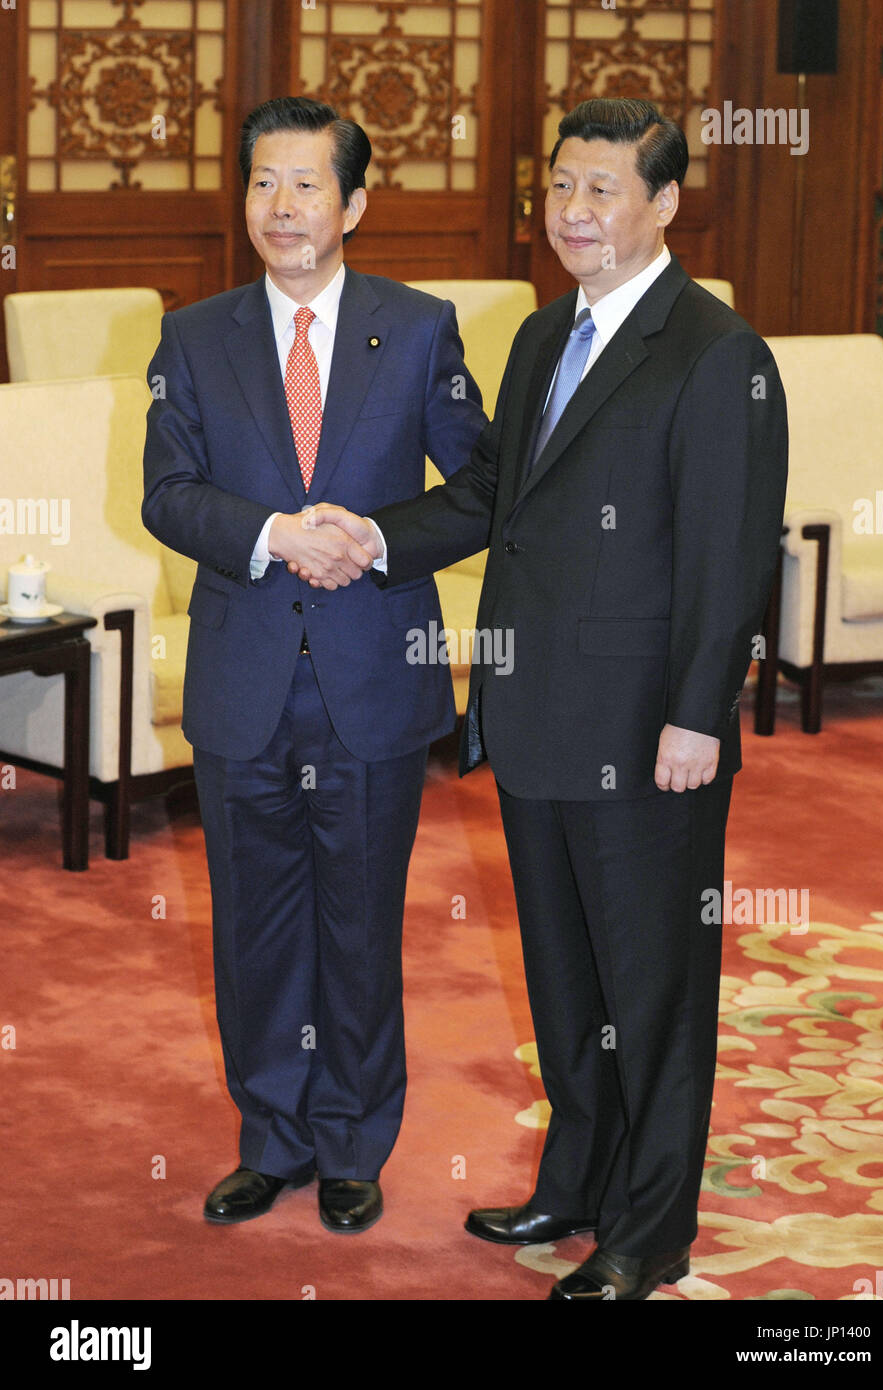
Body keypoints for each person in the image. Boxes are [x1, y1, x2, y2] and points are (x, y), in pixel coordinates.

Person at [306, 98, 789, 1298]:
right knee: (567, 981)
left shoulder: (718, 353)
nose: (574, 213)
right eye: (561, 186)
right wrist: (369, 533)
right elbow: (487, 496)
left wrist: (697, 714)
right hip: (531, 717)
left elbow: (730, 555)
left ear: (664, 203)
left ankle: (651, 1228)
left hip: (646, 735)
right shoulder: (538, 337)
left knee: (655, 991)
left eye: (603, 191)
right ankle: (575, 1182)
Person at [141, 96, 486, 1235]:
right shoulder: (193, 337)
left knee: (357, 920)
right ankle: (272, 1136)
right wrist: (275, 534)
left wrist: (379, 541)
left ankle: (352, 1140)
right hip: (244, 685)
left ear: (356, 203)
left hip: (371, 680)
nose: (281, 207)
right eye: (262, 184)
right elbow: (168, 494)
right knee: (252, 926)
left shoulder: (421, 326)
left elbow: (481, 488)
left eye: (305, 184)